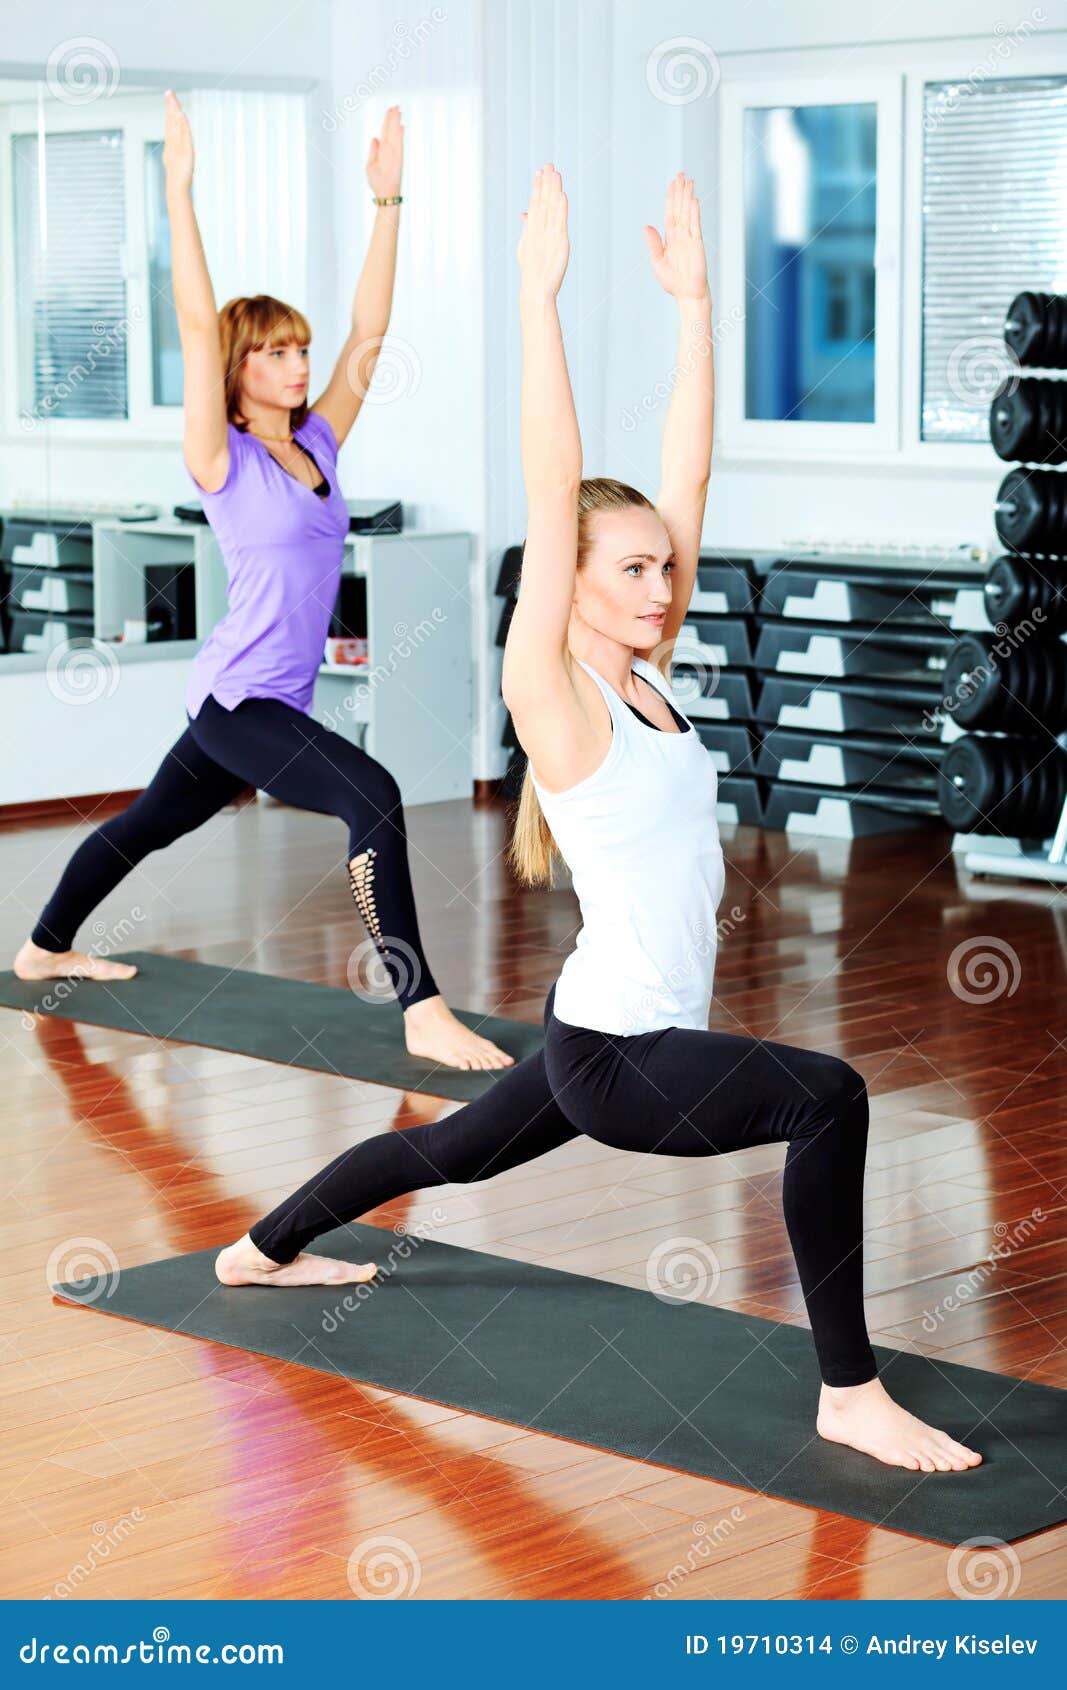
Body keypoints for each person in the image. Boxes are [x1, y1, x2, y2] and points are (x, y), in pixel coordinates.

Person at [213, 165, 982, 1476]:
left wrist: (692, 306)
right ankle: (845, 1389)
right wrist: (537, 301)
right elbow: (552, 474)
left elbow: (682, 471)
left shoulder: (643, 673)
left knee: (445, 1150)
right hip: (621, 1060)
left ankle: (256, 1246)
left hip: (592, 1032)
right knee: (830, 1099)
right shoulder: (555, 698)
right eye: (628, 567)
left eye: (663, 565)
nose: (659, 581)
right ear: (565, 584)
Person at [14, 90, 513, 1074]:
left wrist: (388, 205)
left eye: (299, 350)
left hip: (256, 698)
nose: (298, 364)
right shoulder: (221, 460)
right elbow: (197, 326)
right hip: (241, 697)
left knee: (148, 824)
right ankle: (419, 1006)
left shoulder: (320, 438)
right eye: (277, 353)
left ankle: (41, 947)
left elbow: (371, 327)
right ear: (240, 370)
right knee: (371, 791)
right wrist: (177, 192)